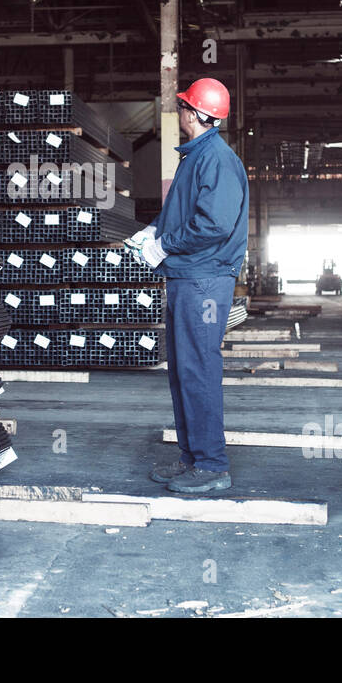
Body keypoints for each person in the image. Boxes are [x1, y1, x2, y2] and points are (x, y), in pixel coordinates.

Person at [125, 78, 249, 494]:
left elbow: (213, 224)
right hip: (187, 276)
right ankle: (192, 458)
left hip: (204, 280)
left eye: (182, 107)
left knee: (198, 369)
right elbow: (181, 214)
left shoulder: (217, 159)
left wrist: (165, 246)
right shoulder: (195, 158)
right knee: (182, 372)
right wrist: (152, 232)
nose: (177, 113)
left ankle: (213, 465)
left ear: (196, 114)